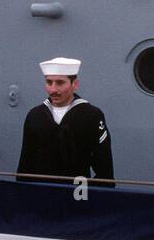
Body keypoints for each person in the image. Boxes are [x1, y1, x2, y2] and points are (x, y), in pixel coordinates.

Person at [17, 57, 114, 185]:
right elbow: (25, 163)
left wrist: (95, 197)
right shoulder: (35, 115)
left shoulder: (91, 116)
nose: (53, 89)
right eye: (49, 82)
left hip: (77, 195)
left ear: (75, 84)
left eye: (60, 83)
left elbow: (104, 167)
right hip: (40, 193)